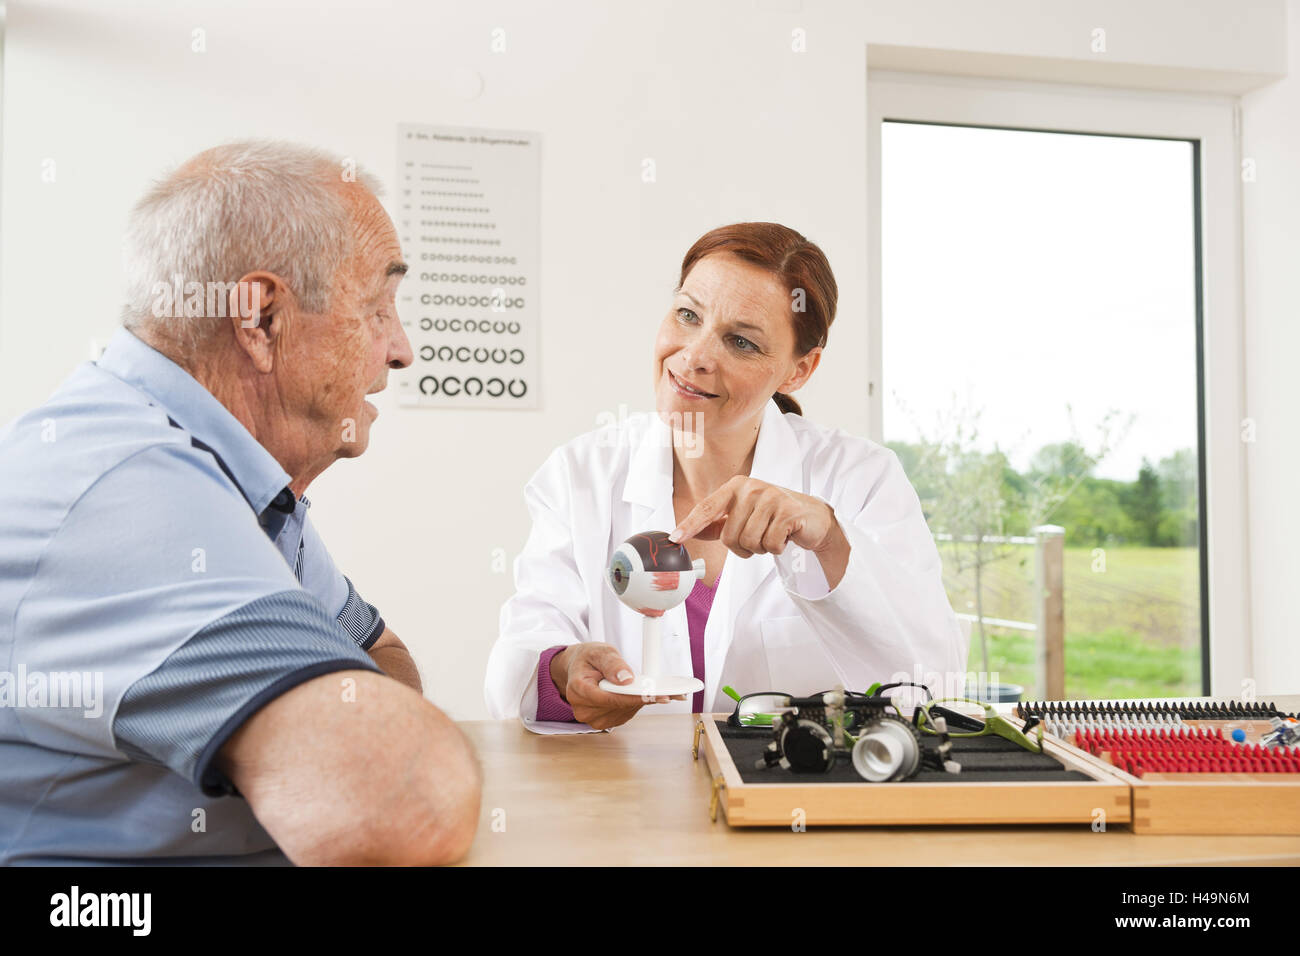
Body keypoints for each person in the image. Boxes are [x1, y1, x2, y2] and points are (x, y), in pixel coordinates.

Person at [0, 141, 480, 864]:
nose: (403, 349)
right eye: (377, 305)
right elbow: (405, 801)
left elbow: (379, 654)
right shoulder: (127, 485)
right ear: (258, 320)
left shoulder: (231, 478)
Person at [485, 222, 967, 732]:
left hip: (787, 801)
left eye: (740, 342)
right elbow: (518, 666)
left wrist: (828, 540)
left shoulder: (861, 479)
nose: (694, 357)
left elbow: (934, 685)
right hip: (625, 798)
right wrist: (562, 672)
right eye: (687, 315)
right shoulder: (579, 475)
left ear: (798, 371)